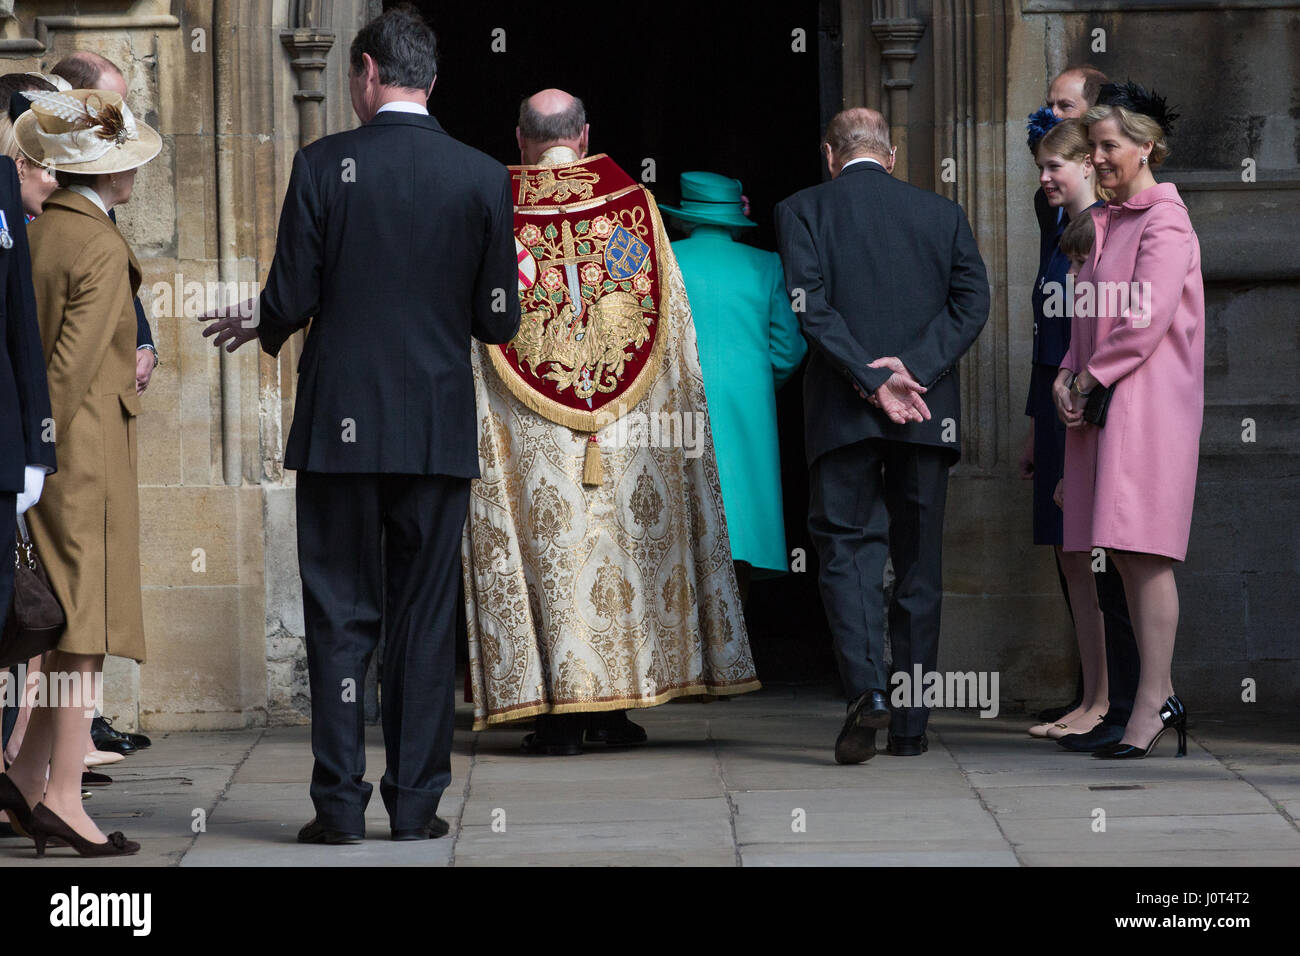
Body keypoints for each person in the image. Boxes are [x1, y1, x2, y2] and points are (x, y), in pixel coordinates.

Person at [204, 6, 519, 841]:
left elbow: (296, 295)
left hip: (342, 427)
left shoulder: (321, 164)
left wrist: (263, 319)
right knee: (423, 621)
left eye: (355, 77)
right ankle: (415, 808)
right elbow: (499, 322)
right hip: (434, 432)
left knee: (341, 618)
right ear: (432, 81)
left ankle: (338, 809)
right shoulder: (484, 176)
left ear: (369, 73)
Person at [461, 89, 760, 755]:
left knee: (555, 553)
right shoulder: (635, 205)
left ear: (520, 139)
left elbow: (475, 320)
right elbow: (672, 326)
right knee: (625, 549)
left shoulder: (492, 208)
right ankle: (619, 706)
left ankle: (559, 714)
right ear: (586, 133)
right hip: (630, 424)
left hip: (528, 425)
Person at [775, 108, 989, 764]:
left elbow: (810, 306)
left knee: (847, 553)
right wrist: (913, 370)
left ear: (830, 155)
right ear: (890, 155)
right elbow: (972, 303)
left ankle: (868, 693)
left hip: (843, 414)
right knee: (918, 562)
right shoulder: (943, 214)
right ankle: (913, 724)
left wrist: (870, 376)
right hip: (926, 411)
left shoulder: (801, 208)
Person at [1, 85, 161, 857]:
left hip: (59, 458)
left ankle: (27, 780)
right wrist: (45, 454)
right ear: (104, 173)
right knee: (84, 631)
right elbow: (62, 372)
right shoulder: (95, 243)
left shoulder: (43, 231)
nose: (135, 171)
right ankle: (63, 796)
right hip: (81, 462)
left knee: (66, 629)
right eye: (124, 160)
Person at [1055, 81, 1203, 759]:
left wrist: (1088, 377)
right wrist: (1066, 371)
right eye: (1093, 147)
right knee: (1119, 552)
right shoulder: (1110, 221)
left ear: (1146, 147)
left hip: (1146, 410)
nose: (1099, 157)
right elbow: (1091, 316)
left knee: (1145, 553)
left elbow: (1144, 318)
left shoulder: (1165, 221)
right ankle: (1146, 700)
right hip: (1105, 405)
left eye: (1108, 145)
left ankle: (1150, 704)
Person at [662, 171, 806, 600]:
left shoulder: (663, 259)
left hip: (674, 414)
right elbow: (788, 350)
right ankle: (736, 656)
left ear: (685, 216)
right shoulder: (766, 265)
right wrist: (755, 386)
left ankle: (687, 660)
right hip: (748, 419)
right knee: (738, 537)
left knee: (676, 541)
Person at [1022, 118, 1111, 742]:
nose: (1045, 178)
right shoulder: (1060, 233)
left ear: (1086, 163)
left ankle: (1106, 700)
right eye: (1041, 168)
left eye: (1055, 167)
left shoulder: (1104, 229)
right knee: (1070, 556)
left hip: (1087, 408)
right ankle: (1091, 696)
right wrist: (1036, 424)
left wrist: (1078, 391)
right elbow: (1044, 342)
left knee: (1094, 557)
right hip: (1055, 412)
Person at [51, 53, 158, 399]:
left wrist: (143, 344)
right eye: (113, 107)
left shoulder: (97, 187)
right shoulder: (32, 185)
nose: (122, 121)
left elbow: (119, 274)